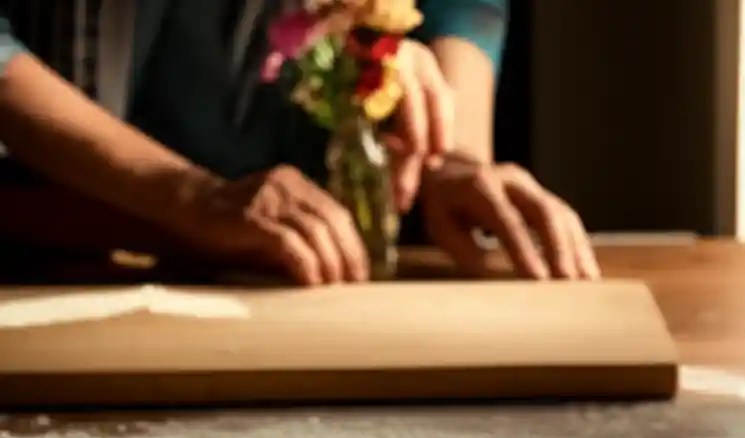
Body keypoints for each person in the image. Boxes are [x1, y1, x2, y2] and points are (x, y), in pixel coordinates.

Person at [0, 1, 598, 284]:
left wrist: (452, 158)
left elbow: (461, 7)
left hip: (295, 276)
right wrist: (189, 197)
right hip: (62, 256)